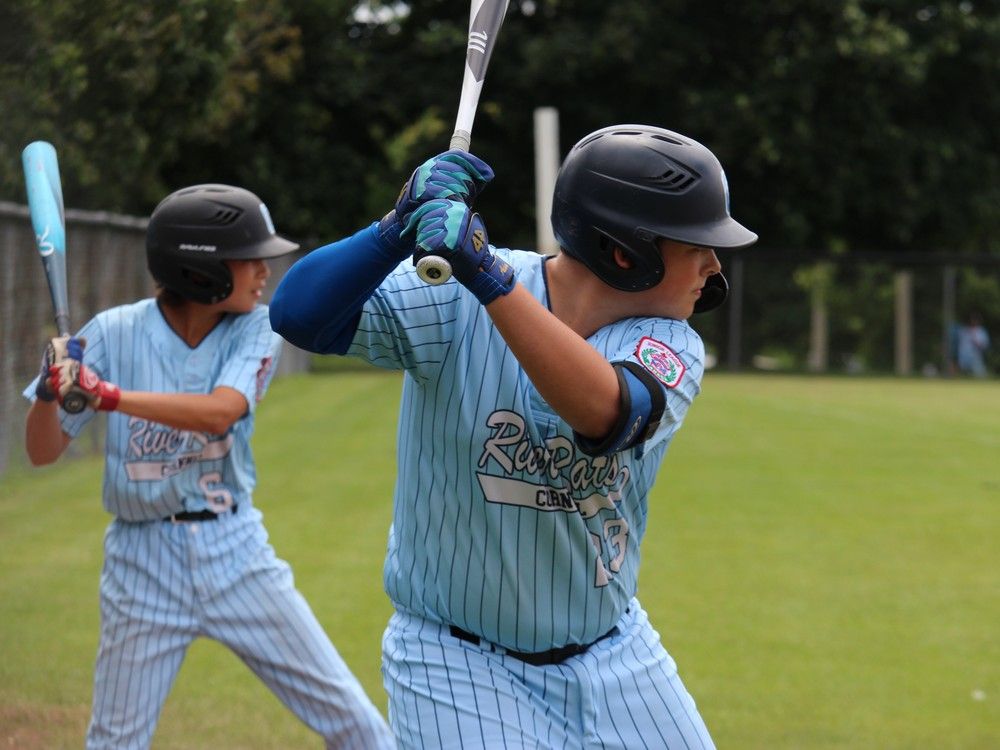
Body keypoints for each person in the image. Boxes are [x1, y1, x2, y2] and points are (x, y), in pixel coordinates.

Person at [269, 124, 758, 749]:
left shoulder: (670, 343)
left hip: (614, 654)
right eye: (698, 245)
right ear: (625, 252)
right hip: (456, 664)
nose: (714, 267)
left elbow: (607, 412)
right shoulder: (452, 297)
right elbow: (299, 315)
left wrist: (486, 275)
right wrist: (395, 227)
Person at [24, 184, 396, 750]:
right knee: (113, 741)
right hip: (139, 563)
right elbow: (41, 450)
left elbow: (221, 413)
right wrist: (53, 391)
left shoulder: (257, 326)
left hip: (235, 553)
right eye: (250, 258)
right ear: (200, 269)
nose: (263, 272)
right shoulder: (111, 333)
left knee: (355, 721)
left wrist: (109, 396)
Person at [953, 312, 990, 377]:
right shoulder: (963, 331)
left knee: (980, 376)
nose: (973, 321)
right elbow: (958, 343)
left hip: (975, 357)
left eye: (975, 320)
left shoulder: (981, 332)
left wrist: (976, 341)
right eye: (972, 320)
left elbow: (984, 345)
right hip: (963, 357)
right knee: (960, 376)